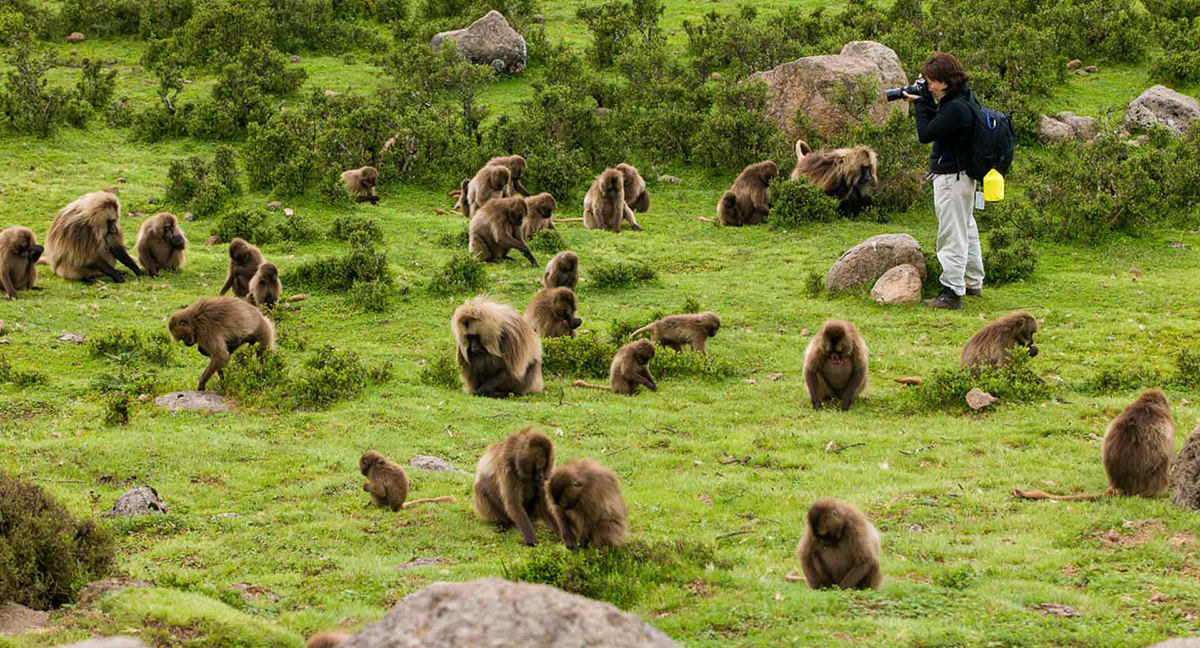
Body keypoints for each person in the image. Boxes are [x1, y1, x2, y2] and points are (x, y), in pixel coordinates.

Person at [904, 52, 982, 310]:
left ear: (945, 82)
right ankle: (972, 282)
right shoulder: (965, 99)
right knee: (966, 228)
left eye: (931, 81)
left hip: (951, 178)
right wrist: (927, 100)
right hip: (964, 177)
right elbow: (941, 124)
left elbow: (926, 134)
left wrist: (918, 103)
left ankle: (951, 292)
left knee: (952, 234)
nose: (928, 86)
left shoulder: (955, 108)